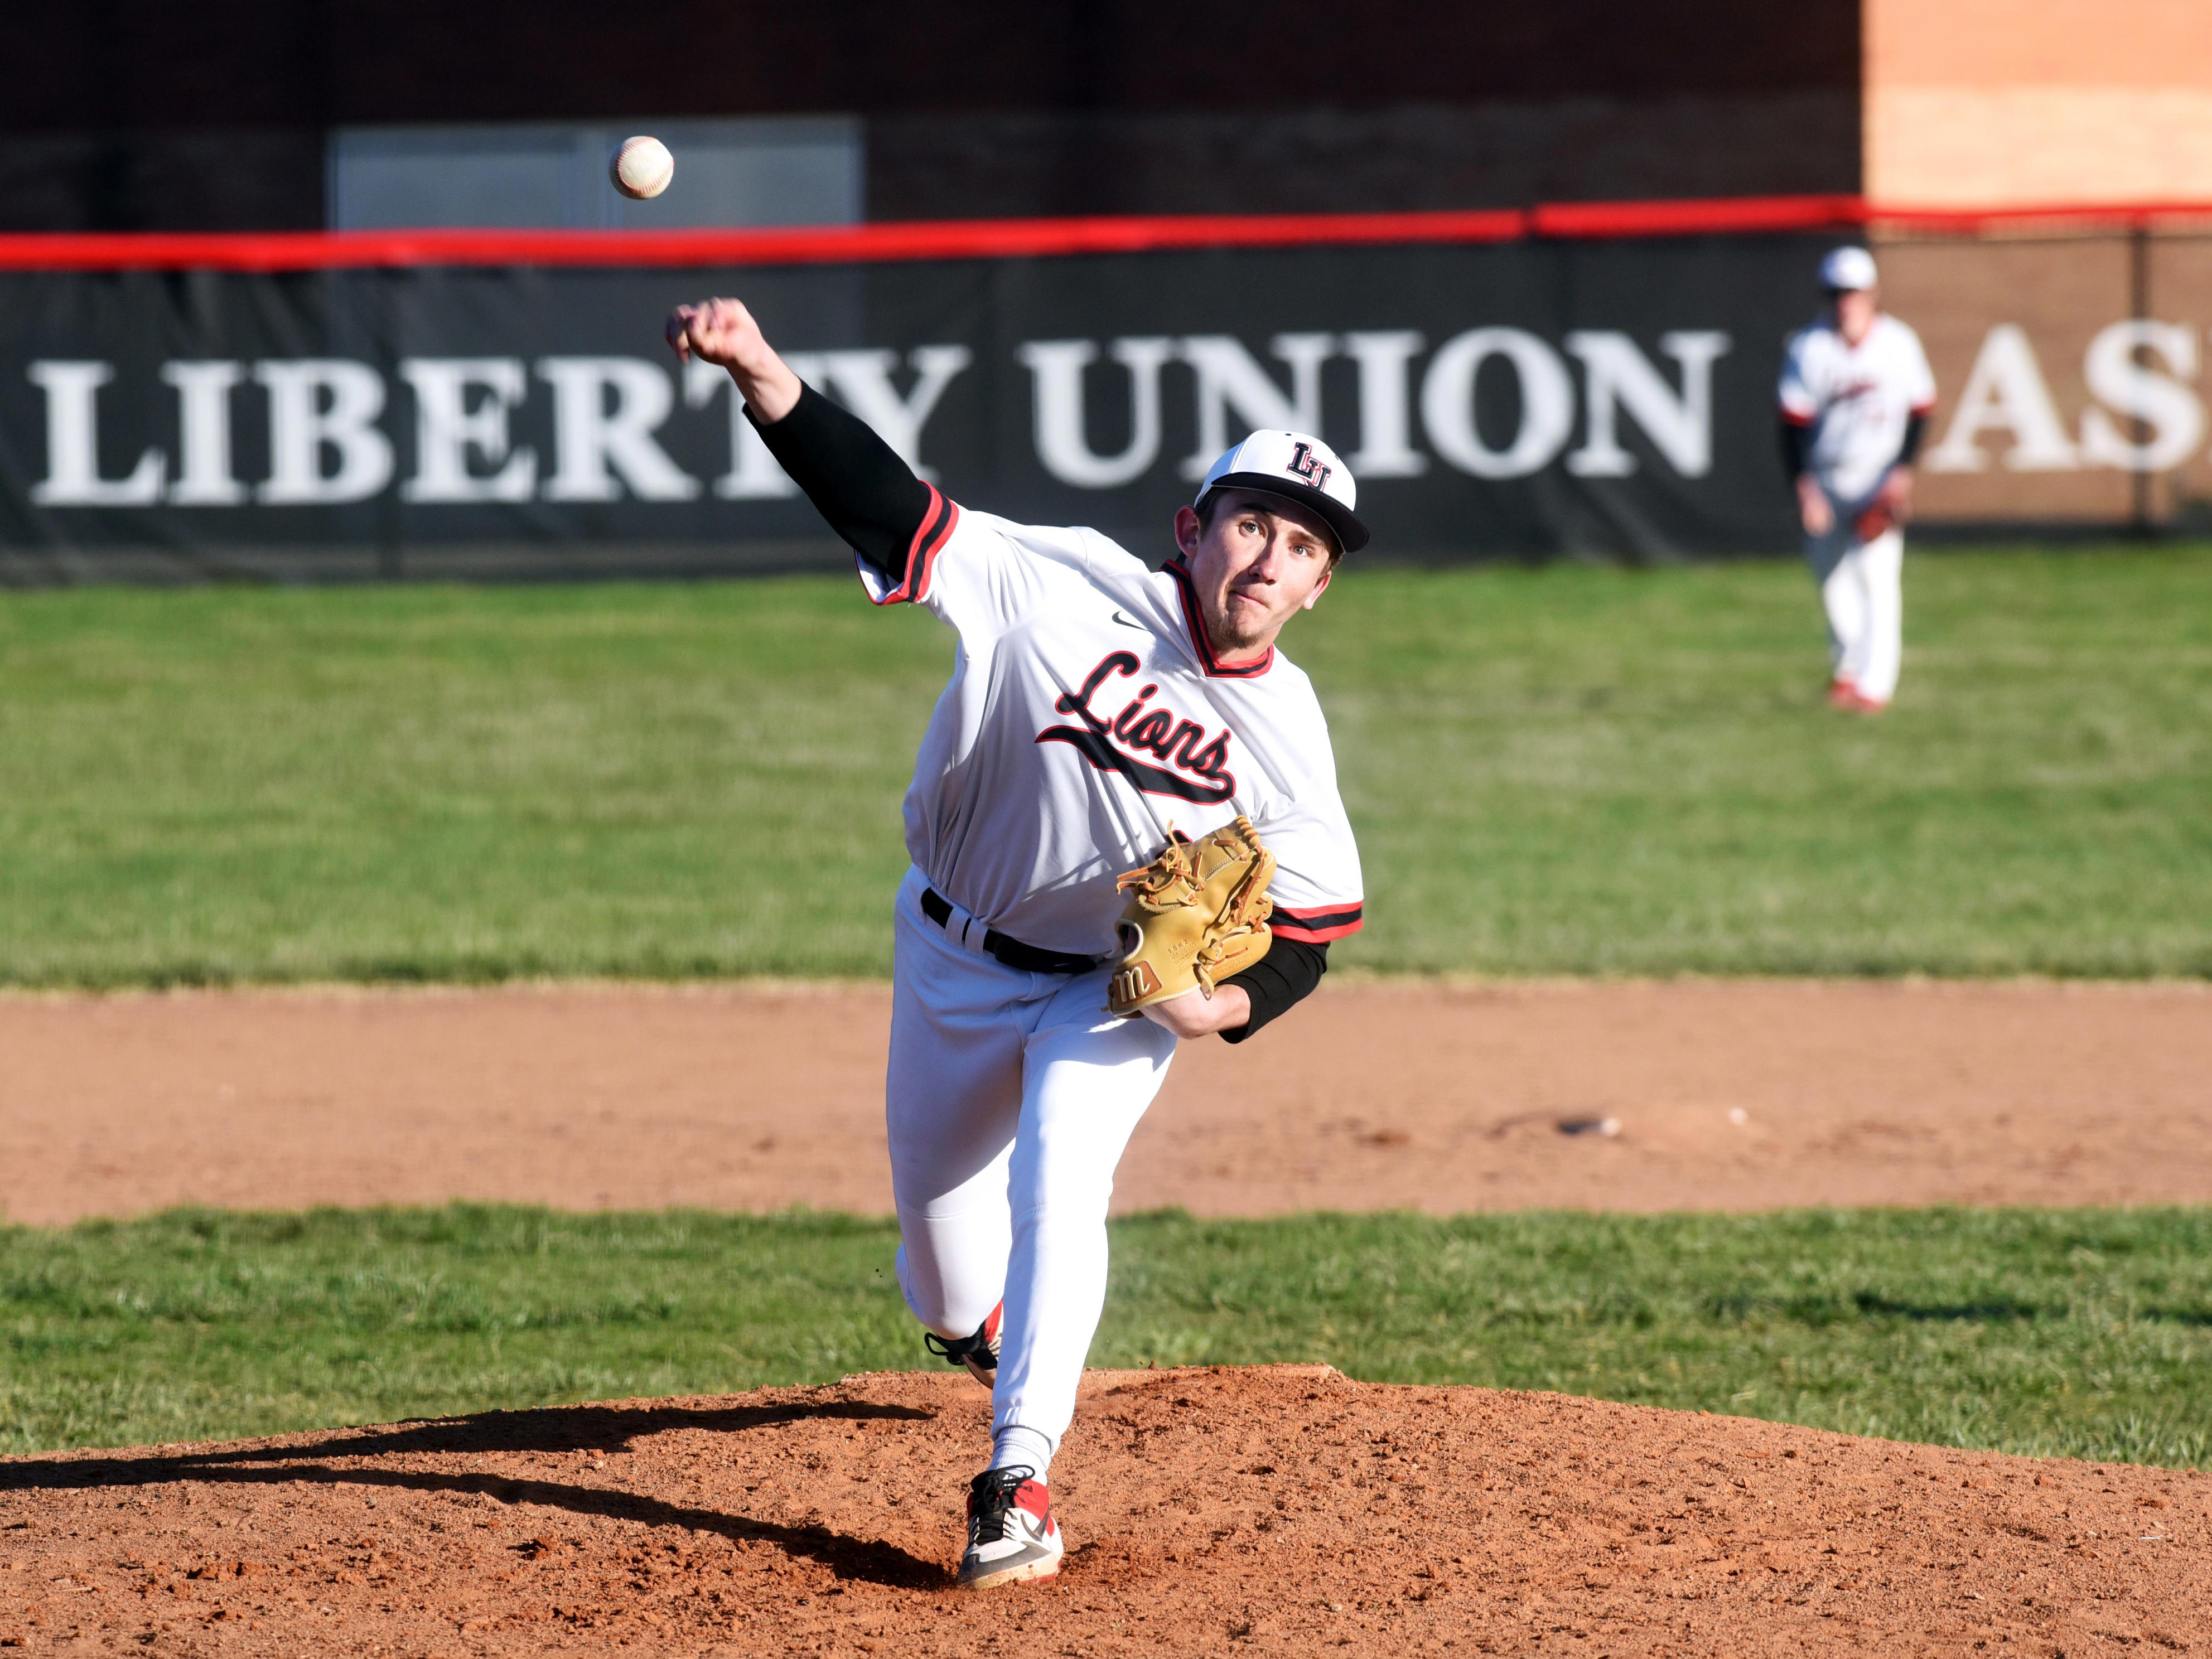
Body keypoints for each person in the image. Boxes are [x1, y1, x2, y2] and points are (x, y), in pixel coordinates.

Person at [665, 297, 1366, 1590]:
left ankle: (1017, 1476)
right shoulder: (1058, 584)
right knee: (937, 1281)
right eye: (1253, 522)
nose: (1270, 559)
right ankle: (977, 1328)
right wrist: (763, 374)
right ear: (1193, 531)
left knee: (1062, 1183)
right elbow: (890, 509)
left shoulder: (1289, 733)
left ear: (1319, 586)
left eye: (1304, 546)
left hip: (1110, 993)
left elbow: (1319, 916)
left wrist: (1220, 1010)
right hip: (950, 961)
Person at [1778, 245, 1938, 713]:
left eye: (1853, 291)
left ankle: (1876, 685)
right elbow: (1791, 424)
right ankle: (1849, 667)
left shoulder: (1898, 343)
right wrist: (1805, 487)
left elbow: (1921, 410)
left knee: (1877, 578)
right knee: (1830, 581)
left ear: (1872, 293)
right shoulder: (1810, 348)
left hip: (1877, 475)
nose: (1845, 301)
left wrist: (1901, 475)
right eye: (1836, 292)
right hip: (1828, 475)